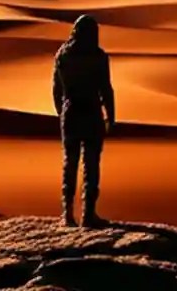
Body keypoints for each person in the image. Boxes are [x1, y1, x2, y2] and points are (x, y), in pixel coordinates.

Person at [52, 14, 116, 227]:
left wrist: (61, 112)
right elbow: (105, 88)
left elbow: (56, 89)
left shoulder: (63, 55)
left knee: (70, 163)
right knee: (91, 164)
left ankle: (67, 214)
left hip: (70, 113)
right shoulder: (98, 57)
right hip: (91, 112)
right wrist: (111, 115)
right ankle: (88, 215)